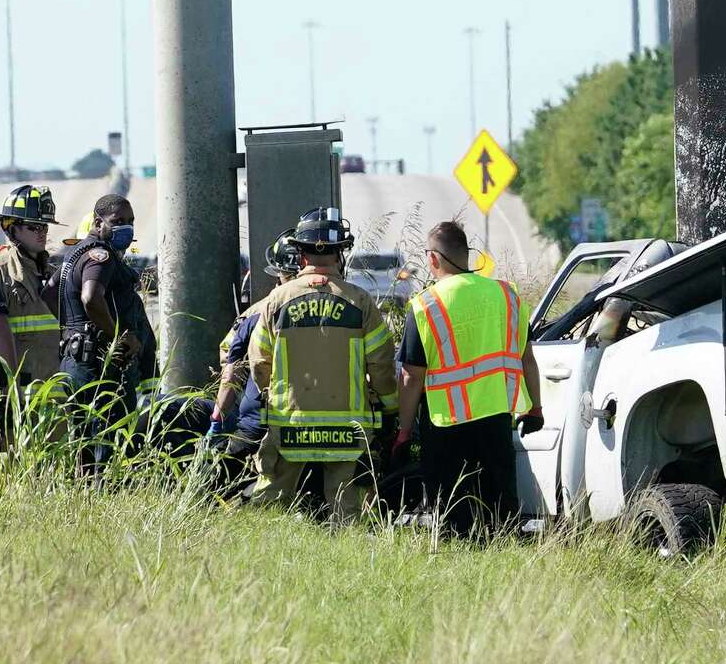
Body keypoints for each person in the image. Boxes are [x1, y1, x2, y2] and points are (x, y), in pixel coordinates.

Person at [248, 207, 398, 521]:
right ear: (340, 254)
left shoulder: (276, 302)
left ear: (300, 256)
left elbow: (259, 361)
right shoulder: (360, 302)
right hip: (347, 428)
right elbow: (381, 365)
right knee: (349, 512)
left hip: (290, 423)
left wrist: (273, 396)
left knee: (269, 506)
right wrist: (390, 405)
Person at [394, 221, 542, 535]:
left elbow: (411, 376)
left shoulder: (425, 306)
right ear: (467, 255)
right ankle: (505, 554)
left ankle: (456, 555)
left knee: (449, 510)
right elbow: (527, 358)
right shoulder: (506, 295)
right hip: (495, 415)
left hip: (445, 421)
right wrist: (535, 408)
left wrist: (404, 431)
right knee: (501, 503)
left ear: (433, 259)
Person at [206, 228, 300, 488]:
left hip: (259, 422)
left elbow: (230, 364)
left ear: (280, 274)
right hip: (328, 425)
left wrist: (218, 418)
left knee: (217, 485)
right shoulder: (347, 305)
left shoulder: (257, 314)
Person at [57, 194, 143, 472]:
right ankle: (104, 501)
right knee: (106, 444)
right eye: (118, 221)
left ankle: (86, 503)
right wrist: (119, 335)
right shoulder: (101, 256)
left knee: (82, 445)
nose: (127, 228)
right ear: (98, 222)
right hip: (100, 363)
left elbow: (49, 293)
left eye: (130, 222)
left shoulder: (74, 253)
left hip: (75, 358)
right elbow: (91, 298)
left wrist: (72, 329)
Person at [0, 185, 62, 395]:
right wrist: (9, 392)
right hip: (15, 396)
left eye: (45, 226)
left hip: (56, 399)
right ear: (11, 228)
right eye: (34, 226)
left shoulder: (55, 274)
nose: (42, 232)